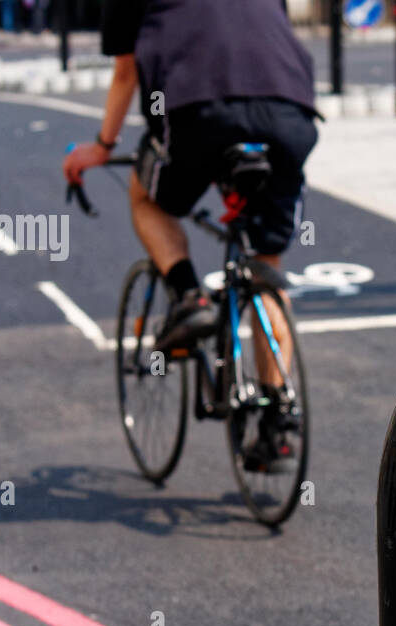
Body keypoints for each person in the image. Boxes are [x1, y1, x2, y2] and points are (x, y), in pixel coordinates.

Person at [63, 0, 318, 472]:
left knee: (146, 197)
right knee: (266, 263)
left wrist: (101, 147)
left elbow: (125, 73)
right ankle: (279, 416)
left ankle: (188, 299)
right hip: (291, 112)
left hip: (198, 109)